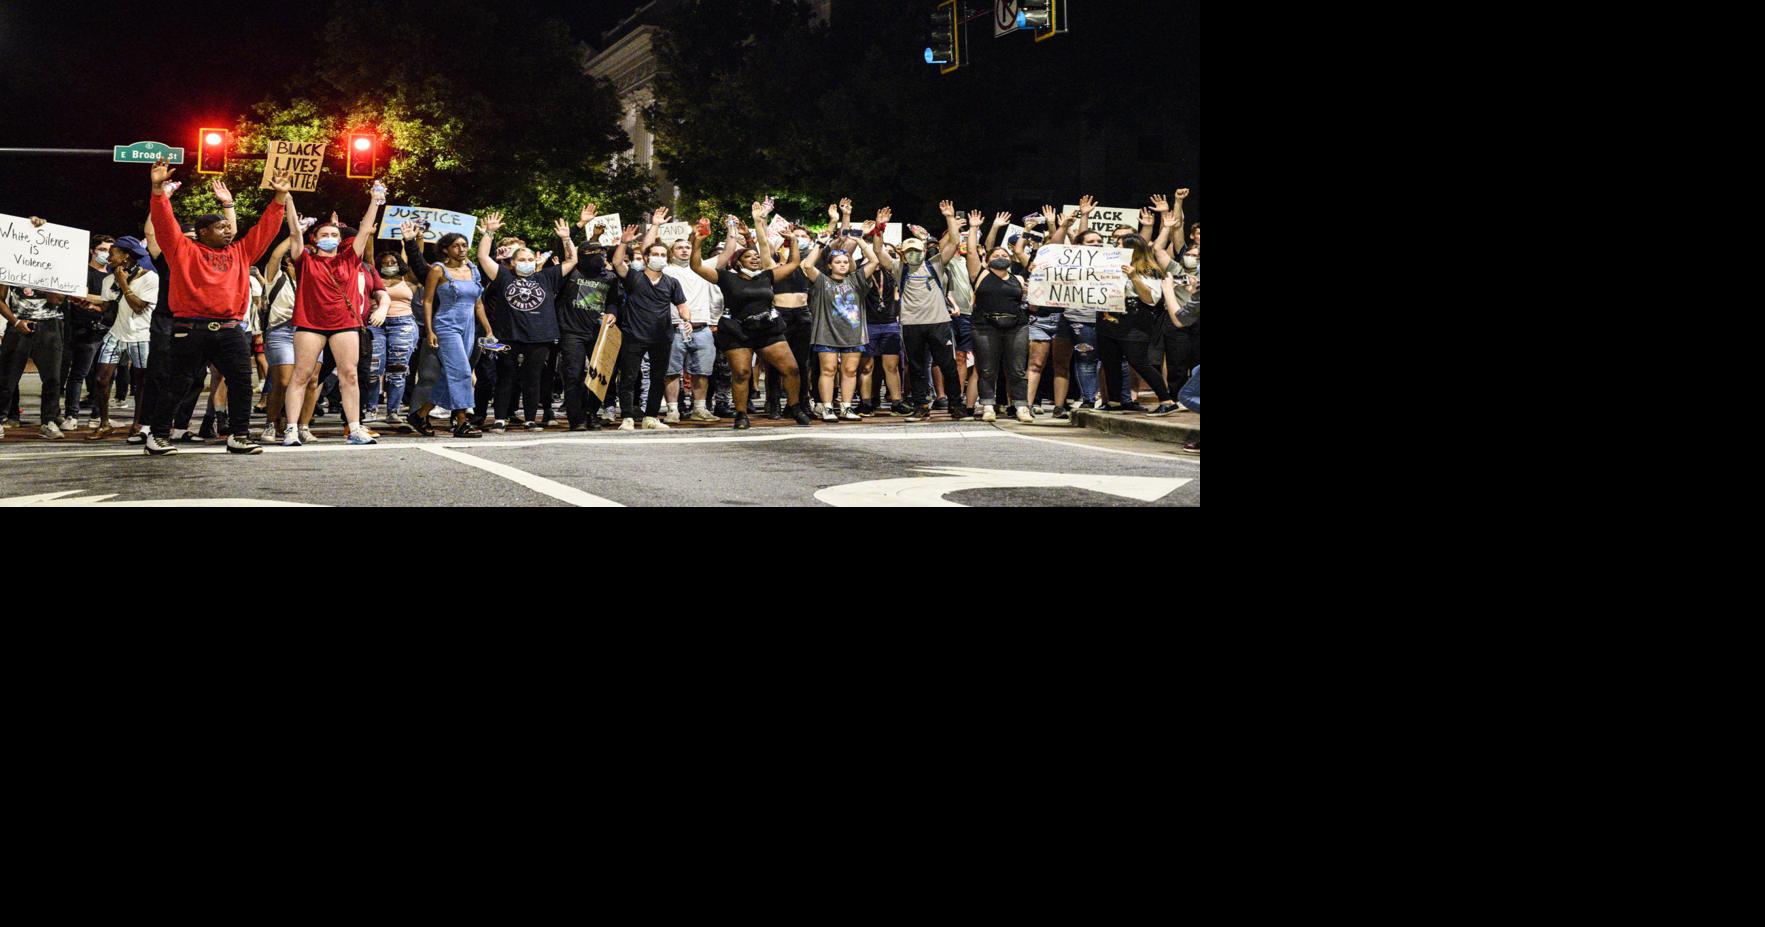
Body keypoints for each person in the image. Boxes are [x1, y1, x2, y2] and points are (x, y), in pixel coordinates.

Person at [139, 160, 289, 456]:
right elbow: (164, 223)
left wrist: (280, 198)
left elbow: (266, 231)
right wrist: (157, 190)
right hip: (190, 329)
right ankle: (157, 436)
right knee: (177, 383)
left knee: (242, 382)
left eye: (228, 227)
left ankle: (239, 435)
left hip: (230, 329)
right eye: (221, 227)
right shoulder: (183, 249)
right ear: (203, 231)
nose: (228, 232)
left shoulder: (240, 252)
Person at [686, 200, 813, 430]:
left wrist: (793, 241)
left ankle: (794, 407)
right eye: (748, 256)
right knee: (742, 373)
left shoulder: (767, 276)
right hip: (738, 331)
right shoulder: (726, 277)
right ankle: (741, 414)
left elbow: (794, 263)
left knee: (792, 369)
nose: (754, 258)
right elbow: (696, 266)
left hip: (768, 329)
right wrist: (698, 243)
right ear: (737, 262)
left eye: (756, 256)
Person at [279, 185, 386, 447]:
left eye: (334, 234)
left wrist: (374, 201)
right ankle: (291, 429)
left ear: (341, 239)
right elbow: (294, 231)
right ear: (314, 238)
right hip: (310, 323)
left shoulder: (350, 258)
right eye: (324, 233)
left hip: (344, 324)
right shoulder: (304, 259)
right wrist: (288, 199)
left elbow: (364, 231)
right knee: (301, 374)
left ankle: (354, 428)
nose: (330, 236)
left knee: (349, 375)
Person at [477, 211, 576, 432]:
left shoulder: (546, 276)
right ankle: (500, 418)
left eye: (530, 259)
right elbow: (483, 257)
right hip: (507, 335)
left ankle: (530, 419)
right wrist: (490, 233)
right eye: (522, 260)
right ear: (512, 263)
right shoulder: (503, 276)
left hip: (540, 336)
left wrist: (566, 238)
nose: (527, 263)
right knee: (505, 377)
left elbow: (572, 260)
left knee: (533, 379)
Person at [880, 201, 967, 423]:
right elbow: (878, 252)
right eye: (909, 252)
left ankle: (956, 405)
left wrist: (949, 217)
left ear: (922, 250)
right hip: (911, 324)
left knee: (947, 366)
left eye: (916, 251)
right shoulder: (899, 269)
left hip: (938, 322)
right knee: (917, 368)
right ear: (903, 254)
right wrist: (879, 230)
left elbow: (955, 242)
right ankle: (921, 406)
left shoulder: (934, 265)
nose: (914, 255)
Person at [802, 199, 878, 423]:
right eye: (838, 262)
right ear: (830, 265)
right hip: (827, 333)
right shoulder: (822, 282)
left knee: (850, 371)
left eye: (846, 261)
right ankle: (827, 407)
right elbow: (807, 266)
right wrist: (819, 243)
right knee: (827, 371)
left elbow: (873, 262)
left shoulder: (856, 281)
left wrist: (860, 241)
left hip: (852, 333)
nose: (843, 264)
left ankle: (846, 406)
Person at [609, 221, 689, 431]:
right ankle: (626, 416)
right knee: (629, 376)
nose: (660, 258)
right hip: (634, 336)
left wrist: (686, 319)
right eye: (655, 254)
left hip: (662, 337)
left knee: (658, 377)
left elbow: (682, 305)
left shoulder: (672, 282)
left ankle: (650, 417)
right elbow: (618, 263)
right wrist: (624, 243)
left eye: (663, 255)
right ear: (645, 258)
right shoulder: (634, 277)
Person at [77, 238, 158, 440]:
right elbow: (107, 306)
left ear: (126, 256)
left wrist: (123, 283)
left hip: (141, 335)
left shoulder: (150, 278)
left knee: (140, 382)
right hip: (116, 333)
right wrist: (91, 306)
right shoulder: (108, 279)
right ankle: (104, 423)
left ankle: (139, 422)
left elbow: (138, 306)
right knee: (101, 379)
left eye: (112, 253)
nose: (109, 258)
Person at [1096, 233, 1181, 416]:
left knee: (1139, 361)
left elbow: (1150, 299)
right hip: (1108, 319)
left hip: (1134, 323)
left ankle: (1166, 400)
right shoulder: (1109, 266)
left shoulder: (1149, 270)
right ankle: (1114, 401)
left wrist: (1134, 277)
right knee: (1111, 361)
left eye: (1120, 245)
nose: (1116, 248)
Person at [555, 205, 622, 431]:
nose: (598, 258)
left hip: (598, 331)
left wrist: (612, 312)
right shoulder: (570, 272)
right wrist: (575, 229)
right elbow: (560, 250)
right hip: (571, 332)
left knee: (599, 375)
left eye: (601, 254)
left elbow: (614, 301)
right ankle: (577, 418)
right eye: (591, 254)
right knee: (573, 375)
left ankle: (591, 412)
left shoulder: (610, 277)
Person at [422, 232, 496, 438]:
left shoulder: (473, 270)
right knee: (463, 372)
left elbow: (478, 304)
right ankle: (462, 421)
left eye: (464, 245)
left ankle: (421, 413)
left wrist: (488, 330)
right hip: (446, 325)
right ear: (446, 249)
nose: (462, 249)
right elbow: (427, 301)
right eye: (456, 246)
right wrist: (429, 330)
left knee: (452, 374)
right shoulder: (439, 270)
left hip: (469, 326)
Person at [963, 211, 1031, 423]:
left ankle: (1021, 407)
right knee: (986, 369)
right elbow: (972, 252)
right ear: (987, 260)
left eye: (1004, 255)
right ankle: (988, 405)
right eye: (996, 255)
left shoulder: (1019, 278)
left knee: (1017, 370)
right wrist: (974, 228)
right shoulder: (980, 274)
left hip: (1016, 326)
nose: (1001, 257)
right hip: (985, 326)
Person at [658, 206, 720, 424]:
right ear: (670, 252)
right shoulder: (665, 269)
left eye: (687, 247)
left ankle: (699, 408)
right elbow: (649, 250)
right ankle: (673, 410)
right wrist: (656, 225)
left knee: (701, 371)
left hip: (702, 328)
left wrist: (731, 230)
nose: (684, 250)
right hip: (674, 328)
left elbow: (729, 252)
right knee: (672, 371)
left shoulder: (702, 267)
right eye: (679, 247)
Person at [0, 276, 69, 441]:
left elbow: (57, 300)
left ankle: (48, 421)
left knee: (52, 378)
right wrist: (15, 322)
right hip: (18, 325)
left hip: (50, 326)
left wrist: (42, 279)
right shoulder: (13, 266)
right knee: (6, 378)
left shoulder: (57, 269)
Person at [856, 208, 907, 416]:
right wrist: (877, 228)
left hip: (889, 323)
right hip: (867, 324)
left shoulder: (891, 271)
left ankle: (896, 402)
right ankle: (866, 402)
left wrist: (880, 230)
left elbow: (880, 252)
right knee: (866, 367)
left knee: (891, 366)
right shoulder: (860, 271)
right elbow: (875, 251)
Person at [371, 245, 421, 429]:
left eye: (393, 262)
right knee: (373, 368)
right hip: (375, 323)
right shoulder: (373, 277)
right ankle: (371, 409)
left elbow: (416, 261)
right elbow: (368, 256)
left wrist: (414, 241)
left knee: (397, 369)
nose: (389, 265)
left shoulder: (406, 278)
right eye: (385, 263)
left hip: (403, 324)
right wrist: (369, 235)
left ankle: (393, 411)